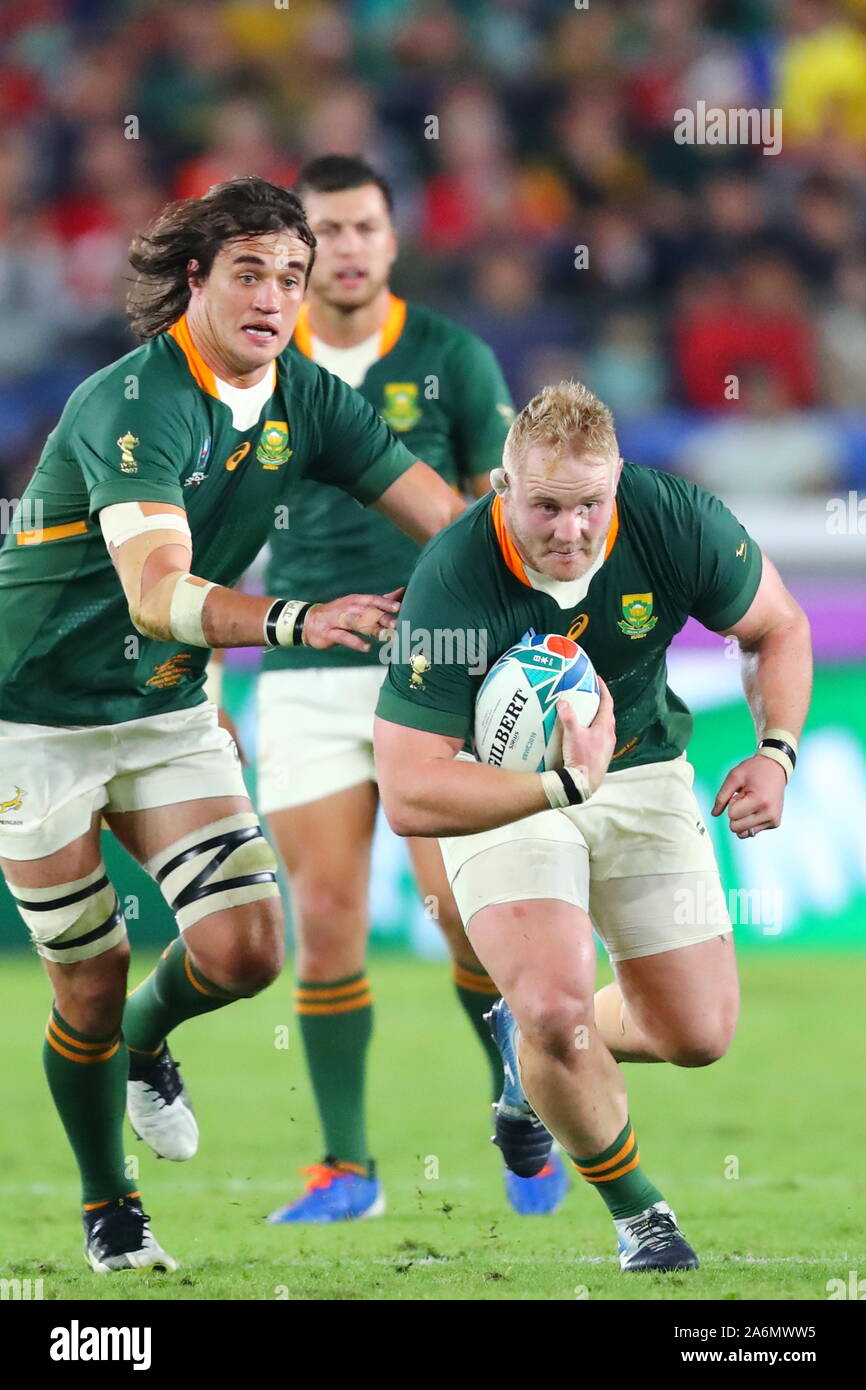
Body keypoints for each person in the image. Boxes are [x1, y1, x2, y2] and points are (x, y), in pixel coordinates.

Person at [0, 175, 462, 1274]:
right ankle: (110, 1205)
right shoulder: (132, 401)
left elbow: (446, 526)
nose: (273, 295)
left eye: (291, 278)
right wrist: (306, 619)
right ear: (195, 280)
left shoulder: (309, 397)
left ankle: (147, 1046)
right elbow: (158, 591)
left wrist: (553, 574)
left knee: (249, 949)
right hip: (33, 715)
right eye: (248, 271)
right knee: (89, 979)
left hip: (163, 708)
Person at [373, 380, 811, 1270]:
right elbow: (410, 792)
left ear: (619, 482)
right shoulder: (455, 577)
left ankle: (522, 1057)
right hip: (502, 788)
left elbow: (778, 626)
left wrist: (777, 751)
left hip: (642, 767)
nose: (570, 530)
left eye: (589, 506)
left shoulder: (673, 517)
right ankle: (640, 1213)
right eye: (545, 506)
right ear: (504, 488)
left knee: (697, 1035)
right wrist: (559, 787)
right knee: (554, 1004)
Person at [253, 156, 562, 1224]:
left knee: (457, 915)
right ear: (297, 252)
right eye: (324, 232)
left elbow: (499, 511)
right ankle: (345, 1168)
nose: (344, 248)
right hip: (298, 667)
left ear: (391, 240)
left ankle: (516, 1104)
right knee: (327, 917)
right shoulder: (259, 358)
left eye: (362, 228)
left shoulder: (450, 357)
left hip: (429, 672)